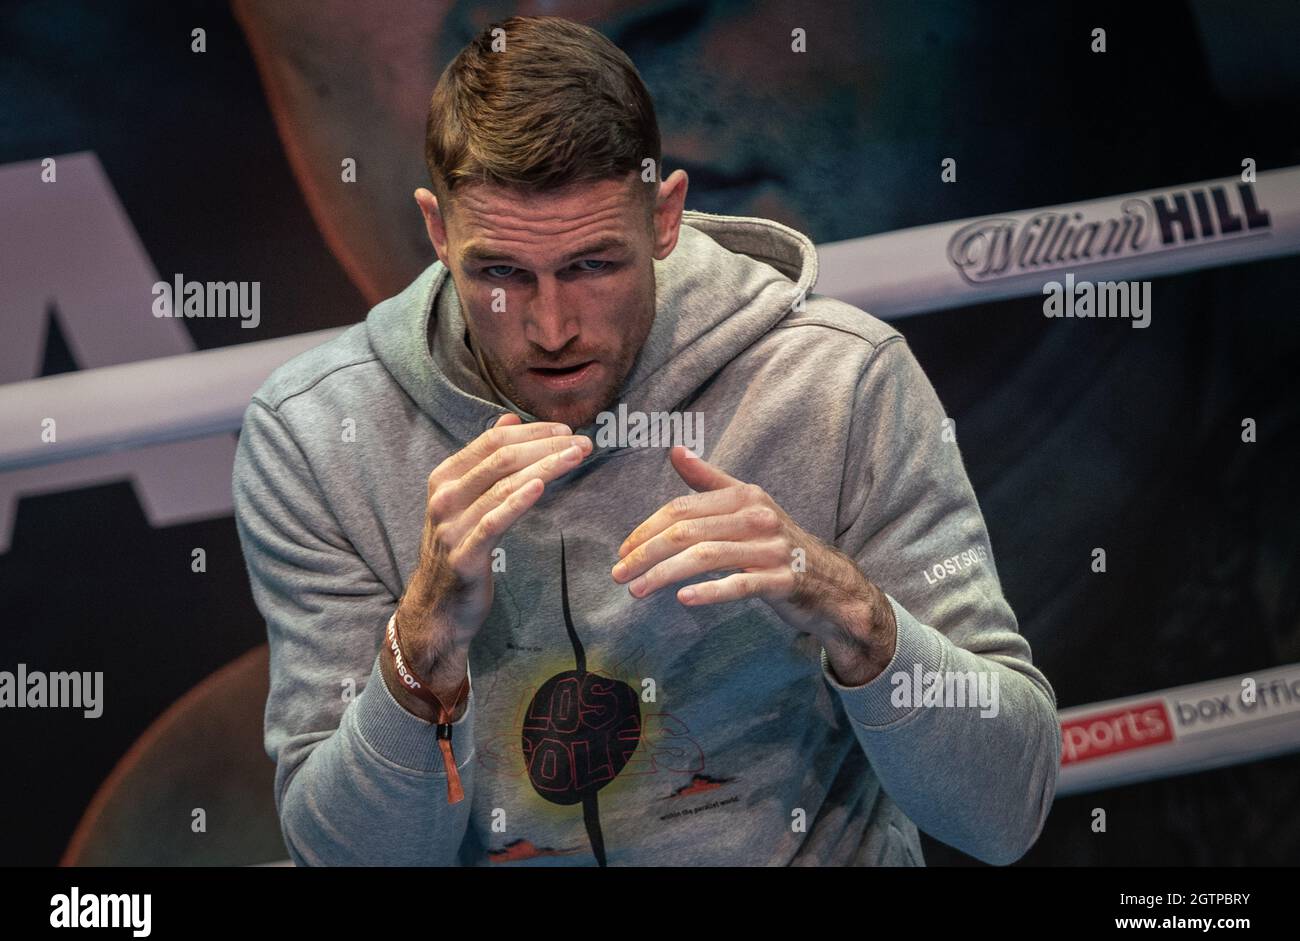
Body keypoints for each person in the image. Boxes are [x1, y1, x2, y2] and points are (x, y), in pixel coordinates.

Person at [232, 15, 1060, 867]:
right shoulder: (314, 437)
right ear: (439, 233)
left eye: (594, 265)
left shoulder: (839, 383)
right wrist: (423, 645)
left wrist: (849, 611)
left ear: (665, 218)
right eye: (502, 274)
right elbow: (352, 859)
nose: (552, 327)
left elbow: (1002, 810)